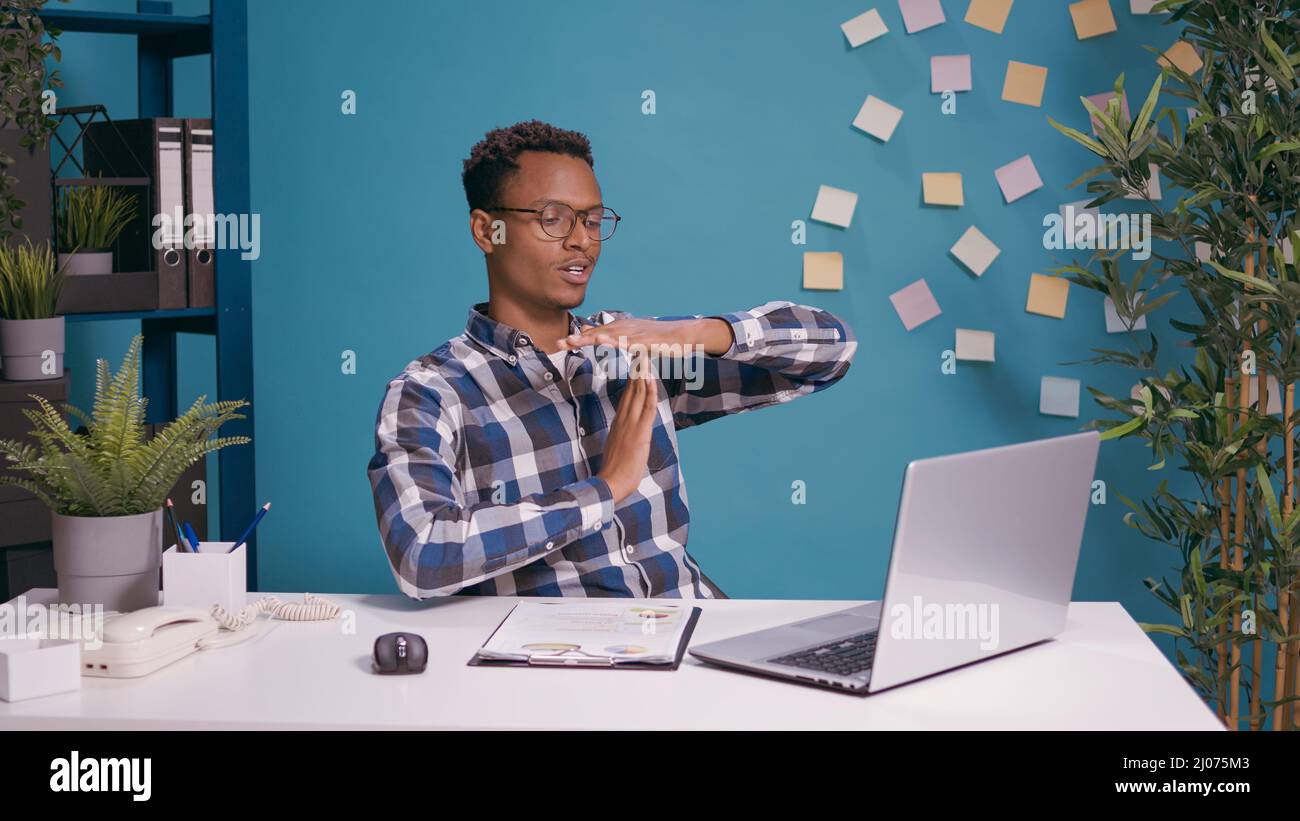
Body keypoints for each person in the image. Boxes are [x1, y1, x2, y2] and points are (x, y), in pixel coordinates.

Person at [367, 119, 856, 599]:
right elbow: (422, 556)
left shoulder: (633, 355)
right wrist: (605, 489)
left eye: (593, 219)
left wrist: (691, 334)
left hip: (689, 634)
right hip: (561, 661)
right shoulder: (431, 392)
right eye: (552, 218)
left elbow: (831, 352)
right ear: (487, 230)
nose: (582, 240)